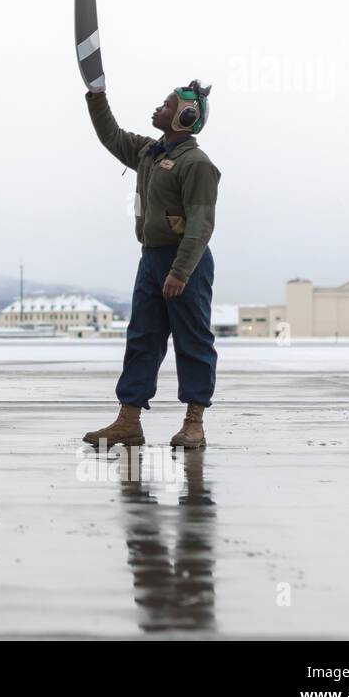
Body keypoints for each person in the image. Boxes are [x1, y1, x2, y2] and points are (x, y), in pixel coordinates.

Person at [83, 81, 220, 450]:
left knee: (192, 342)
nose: (157, 108)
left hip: (184, 261)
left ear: (186, 116)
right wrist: (97, 97)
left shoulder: (198, 165)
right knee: (142, 339)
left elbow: (201, 224)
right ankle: (129, 421)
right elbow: (111, 136)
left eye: (166, 104)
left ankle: (194, 423)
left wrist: (180, 272)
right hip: (151, 258)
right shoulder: (149, 153)